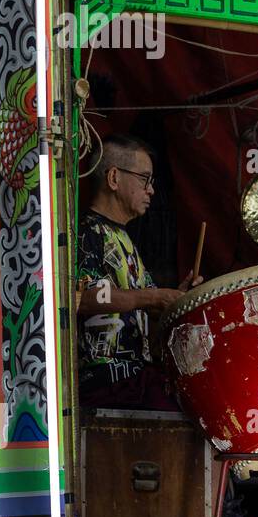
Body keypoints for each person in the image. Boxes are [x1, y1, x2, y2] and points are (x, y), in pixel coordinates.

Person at [76, 134, 203, 410]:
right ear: (113, 178)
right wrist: (152, 297)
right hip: (106, 382)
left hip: (135, 378)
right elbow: (84, 297)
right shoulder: (88, 233)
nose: (151, 190)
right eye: (145, 179)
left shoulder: (124, 239)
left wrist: (179, 298)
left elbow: (149, 301)